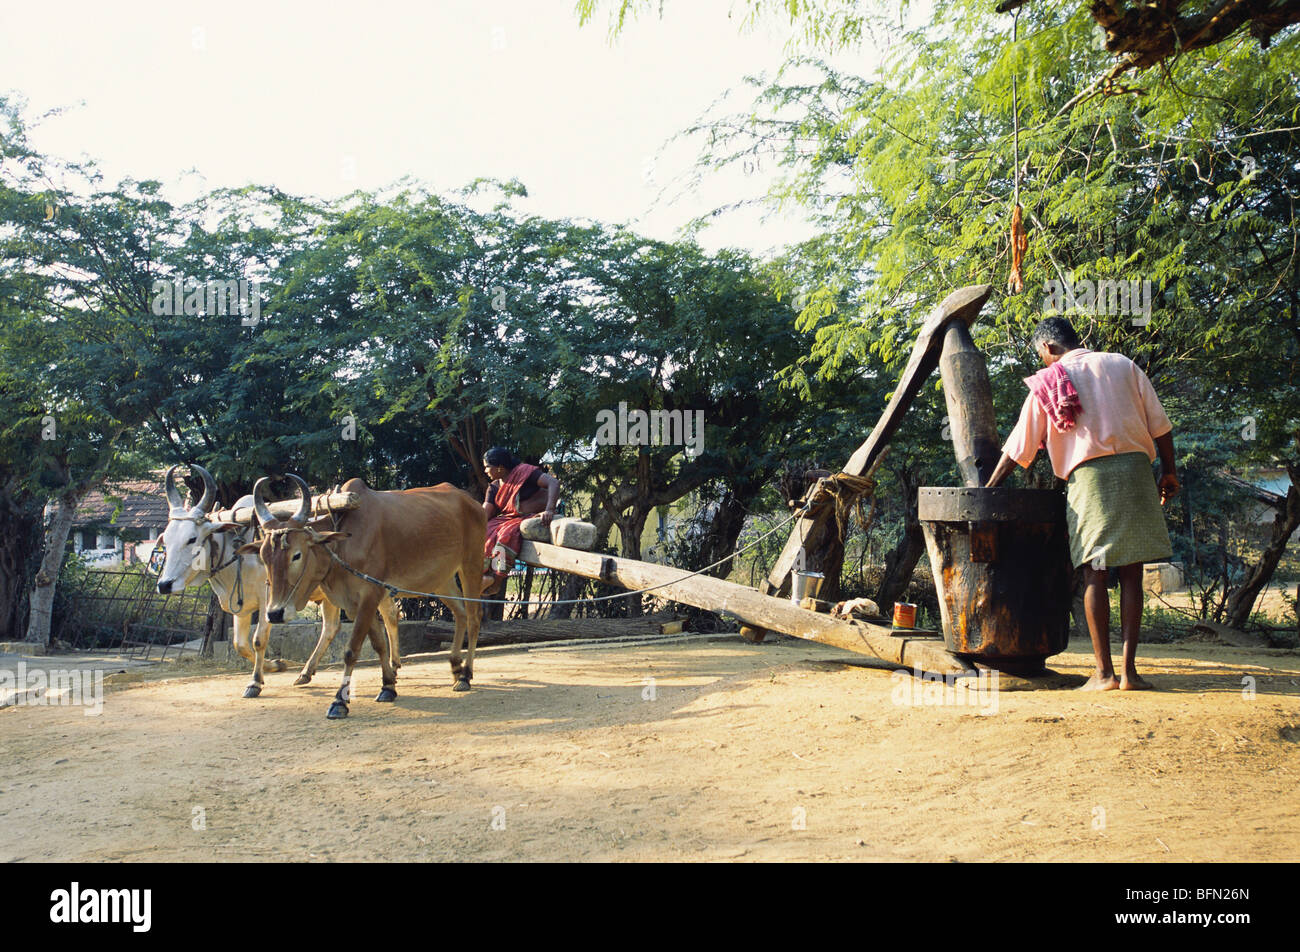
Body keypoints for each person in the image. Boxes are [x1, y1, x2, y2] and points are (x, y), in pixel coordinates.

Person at [985, 317, 1179, 691]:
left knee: (1096, 571)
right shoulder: (1123, 365)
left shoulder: (1048, 381)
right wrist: (1168, 473)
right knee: (1132, 573)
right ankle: (1130, 674)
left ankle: (1104, 674)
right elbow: (1161, 426)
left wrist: (989, 488)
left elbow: (1018, 448)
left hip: (1090, 480)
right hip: (1137, 471)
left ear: (1047, 348)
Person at [479, 447, 561, 596]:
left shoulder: (524, 472)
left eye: (487, 467)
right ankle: (485, 575)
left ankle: (496, 581)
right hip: (507, 519)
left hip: (530, 516)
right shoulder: (494, 487)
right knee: (484, 531)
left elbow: (553, 483)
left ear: (499, 468)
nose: (485, 471)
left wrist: (549, 509)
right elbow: (486, 512)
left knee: (506, 535)